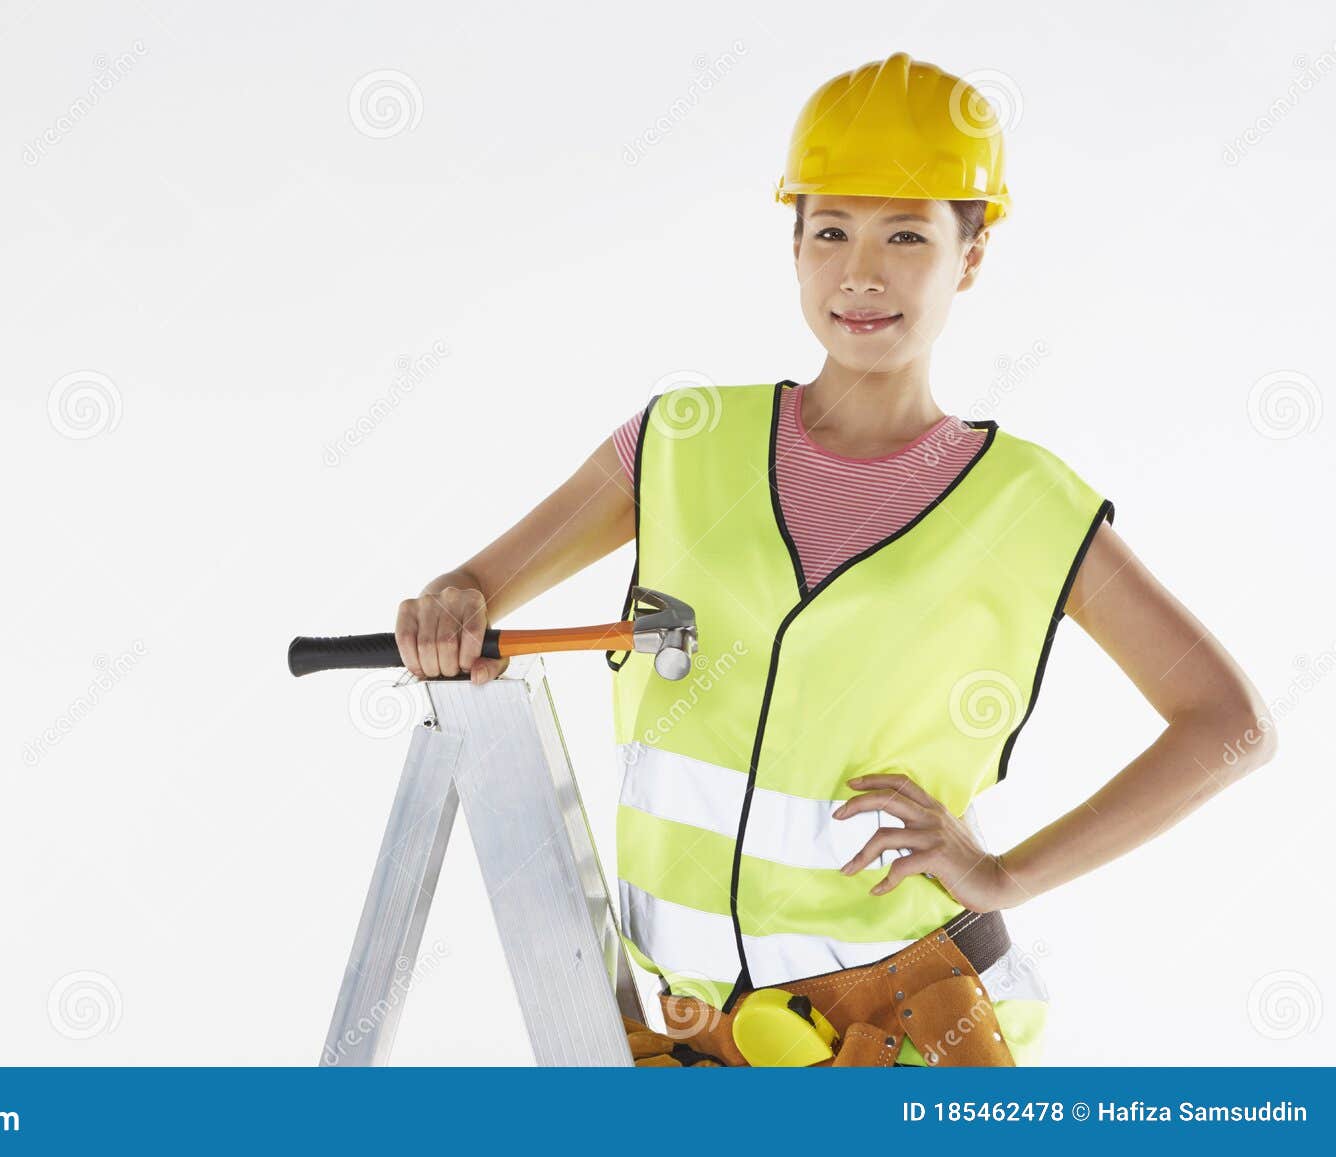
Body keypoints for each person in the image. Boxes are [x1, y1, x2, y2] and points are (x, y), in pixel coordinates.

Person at [393, 52, 1276, 1066]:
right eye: (830, 231)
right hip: (686, 1034)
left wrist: (1002, 873)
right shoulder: (680, 441)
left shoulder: (1025, 502)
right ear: (796, 246)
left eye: (906, 234)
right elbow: (471, 588)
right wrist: (448, 608)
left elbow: (1230, 725)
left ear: (970, 255)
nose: (861, 270)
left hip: (904, 1028)